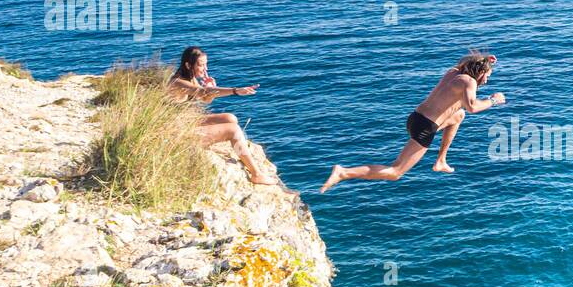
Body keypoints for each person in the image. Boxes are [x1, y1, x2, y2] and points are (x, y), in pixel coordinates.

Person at [321, 52, 504, 190]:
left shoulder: (453, 72)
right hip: (425, 128)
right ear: (478, 72)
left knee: (458, 115)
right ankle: (343, 172)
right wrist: (494, 100)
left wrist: (484, 60)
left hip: (415, 118)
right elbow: (472, 106)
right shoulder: (468, 82)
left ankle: (441, 160)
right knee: (395, 172)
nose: (486, 80)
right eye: (486, 75)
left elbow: (464, 63)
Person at [168, 46, 276, 186]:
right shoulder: (177, 82)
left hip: (189, 123)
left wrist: (210, 90)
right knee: (233, 130)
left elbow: (205, 98)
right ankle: (256, 174)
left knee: (230, 119)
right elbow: (204, 92)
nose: (205, 68)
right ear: (188, 65)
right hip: (179, 134)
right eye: (201, 65)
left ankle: (240, 149)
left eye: (206, 64)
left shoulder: (192, 79)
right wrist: (235, 91)